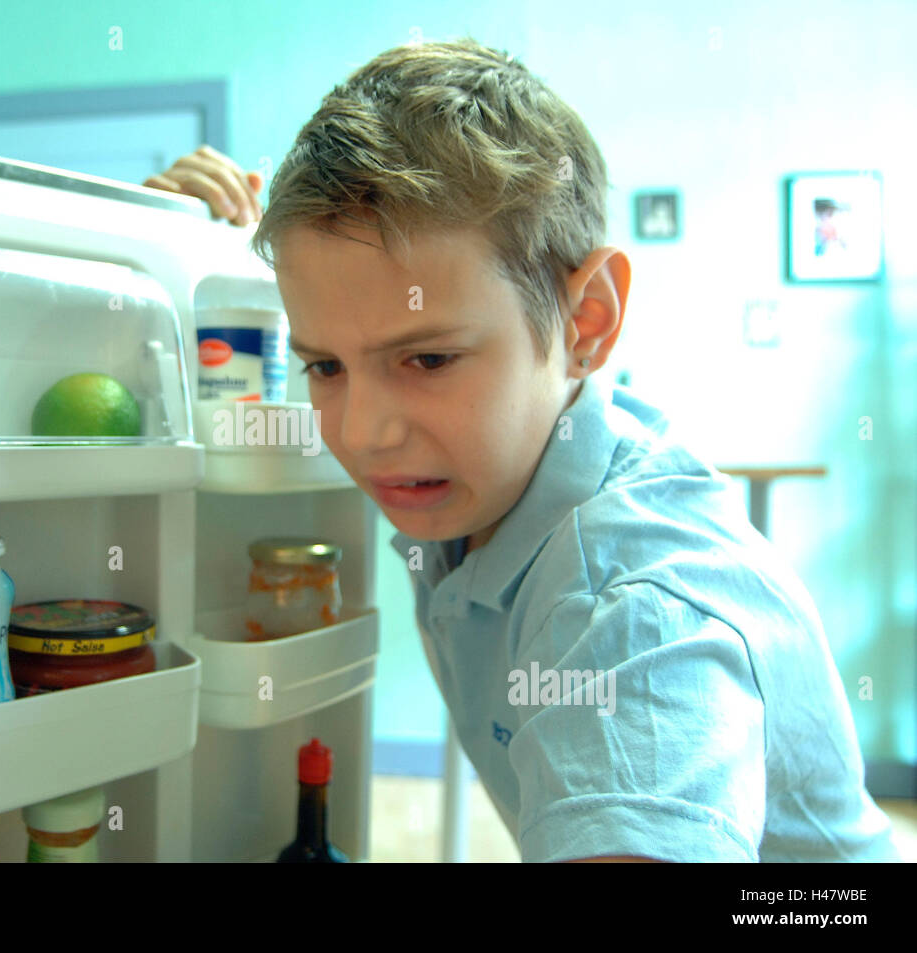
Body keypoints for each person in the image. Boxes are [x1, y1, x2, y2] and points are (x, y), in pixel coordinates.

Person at [146, 38, 900, 863]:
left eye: (427, 359)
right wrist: (170, 239)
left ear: (588, 322)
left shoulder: (637, 618)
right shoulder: (501, 471)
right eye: (324, 365)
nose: (361, 433)